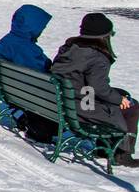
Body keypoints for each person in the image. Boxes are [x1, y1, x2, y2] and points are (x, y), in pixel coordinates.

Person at [50, 13, 138, 167]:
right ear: (104, 36)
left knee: (122, 96)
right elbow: (99, 89)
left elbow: (88, 85)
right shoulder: (97, 56)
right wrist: (118, 99)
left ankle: (104, 149)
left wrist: (118, 95)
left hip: (66, 102)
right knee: (132, 106)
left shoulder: (69, 48)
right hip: (84, 106)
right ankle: (123, 154)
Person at [0, 5, 58, 142]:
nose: (42, 31)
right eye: (41, 28)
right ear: (32, 27)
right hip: (26, 94)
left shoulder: (7, 40)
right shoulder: (25, 48)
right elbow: (40, 72)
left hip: (12, 89)